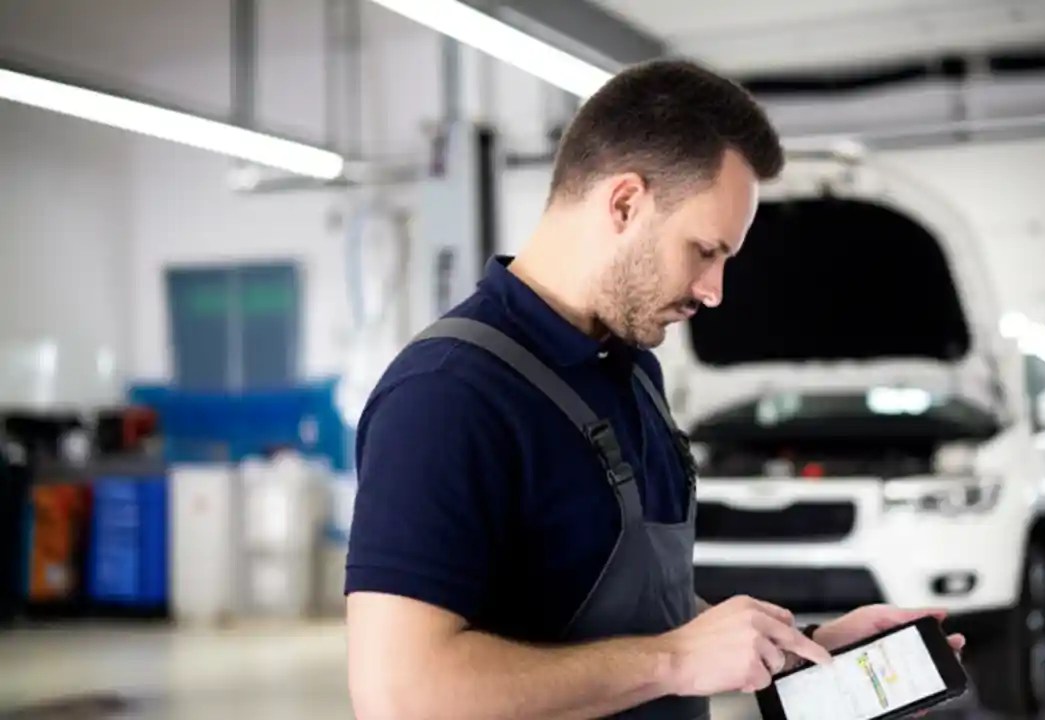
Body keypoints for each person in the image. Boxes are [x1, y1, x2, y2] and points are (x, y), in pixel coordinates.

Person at [344, 58, 964, 719]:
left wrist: (799, 653)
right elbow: (400, 696)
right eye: (704, 250)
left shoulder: (632, 368)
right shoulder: (447, 396)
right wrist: (676, 660)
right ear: (625, 203)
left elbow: (640, 612)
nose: (714, 291)